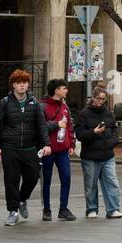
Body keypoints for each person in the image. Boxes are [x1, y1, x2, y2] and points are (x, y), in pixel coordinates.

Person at [0, 69, 51, 226]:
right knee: (11, 180)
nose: (22, 85)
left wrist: (46, 144)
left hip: (30, 148)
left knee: (32, 177)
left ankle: (22, 199)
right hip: (10, 148)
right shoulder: (4, 103)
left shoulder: (34, 103)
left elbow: (41, 125)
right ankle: (13, 211)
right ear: (13, 85)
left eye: (24, 82)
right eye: (18, 83)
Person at [74, 85, 122, 219]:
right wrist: (93, 132)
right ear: (93, 98)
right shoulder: (84, 113)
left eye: (103, 99)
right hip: (90, 155)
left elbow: (114, 131)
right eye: (98, 98)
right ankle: (91, 208)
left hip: (107, 154)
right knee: (90, 184)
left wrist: (111, 143)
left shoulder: (108, 113)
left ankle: (113, 209)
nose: (100, 101)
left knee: (112, 182)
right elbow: (79, 134)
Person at [39, 79, 77, 222]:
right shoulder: (43, 107)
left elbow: (70, 127)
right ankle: (46, 209)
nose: (66, 90)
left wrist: (71, 144)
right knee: (46, 180)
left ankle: (63, 209)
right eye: (63, 88)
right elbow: (40, 127)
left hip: (62, 149)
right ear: (55, 90)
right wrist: (56, 124)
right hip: (48, 149)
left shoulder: (65, 107)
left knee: (66, 177)